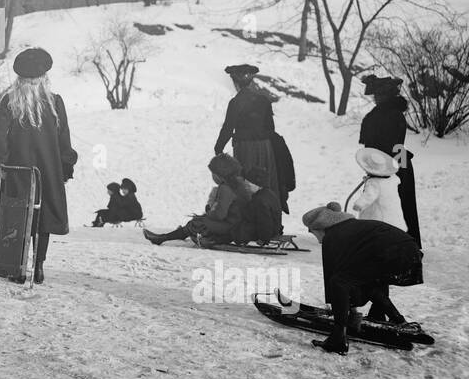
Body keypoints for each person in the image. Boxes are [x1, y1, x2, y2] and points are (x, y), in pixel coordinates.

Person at [0, 47, 79, 284]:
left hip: (18, 172)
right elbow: (64, 139)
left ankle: (17, 268)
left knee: (18, 216)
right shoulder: (54, 102)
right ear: (43, 78)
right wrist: (66, 166)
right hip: (47, 173)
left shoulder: (10, 101)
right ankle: (38, 267)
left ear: (20, 80)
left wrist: (0, 162)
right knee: (43, 219)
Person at [301, 202, 425, 355]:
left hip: (393, 254)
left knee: (338, 281)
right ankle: (398, 321)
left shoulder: (333, 236)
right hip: (410, 252)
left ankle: (338, 338)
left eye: (313, 233)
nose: (317, 239)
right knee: (367, 279)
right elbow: (354, 275)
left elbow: (334, 278)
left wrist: (348, 312)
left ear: (319, 227)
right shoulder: (350, 227)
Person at [144, 153, 277, 245]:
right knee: (198, 221)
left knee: (195, 223)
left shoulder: (225, 188)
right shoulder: (239, 183)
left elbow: (220, 214)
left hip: (231, 225)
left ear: (220, 174)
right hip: (238, 223)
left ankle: (162, 238)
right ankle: (170, 236)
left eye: (213, 173)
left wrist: (207, 214)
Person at [214, 63, 294, 213]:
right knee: (266, 182)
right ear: (250, 81)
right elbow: (271, 128)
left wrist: (218, 148)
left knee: (246, 182)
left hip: (245, 148)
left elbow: (227, 128)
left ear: (235, 82)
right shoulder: (263, 100)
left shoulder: (235, 103)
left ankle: (249, 219)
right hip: (265, 147)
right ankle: (271, 217)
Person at [359, 74, 421, 245]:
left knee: (396, 206)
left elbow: (390, 145)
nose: (375, 99)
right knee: (394, 206)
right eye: (375, 95)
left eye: (379, 95)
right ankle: (400, 244)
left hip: (392, 165)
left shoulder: (386, 115)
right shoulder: (389, 113)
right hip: (395, 163)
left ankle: (403, 245)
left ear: (387, 96)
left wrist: (381, 168)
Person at [348, 147, 407, 230]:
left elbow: (369, 196)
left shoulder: (374, 183)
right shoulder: (392, 178)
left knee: (375, 233)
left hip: (380, 220)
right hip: (395, 218)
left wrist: (359, 205)